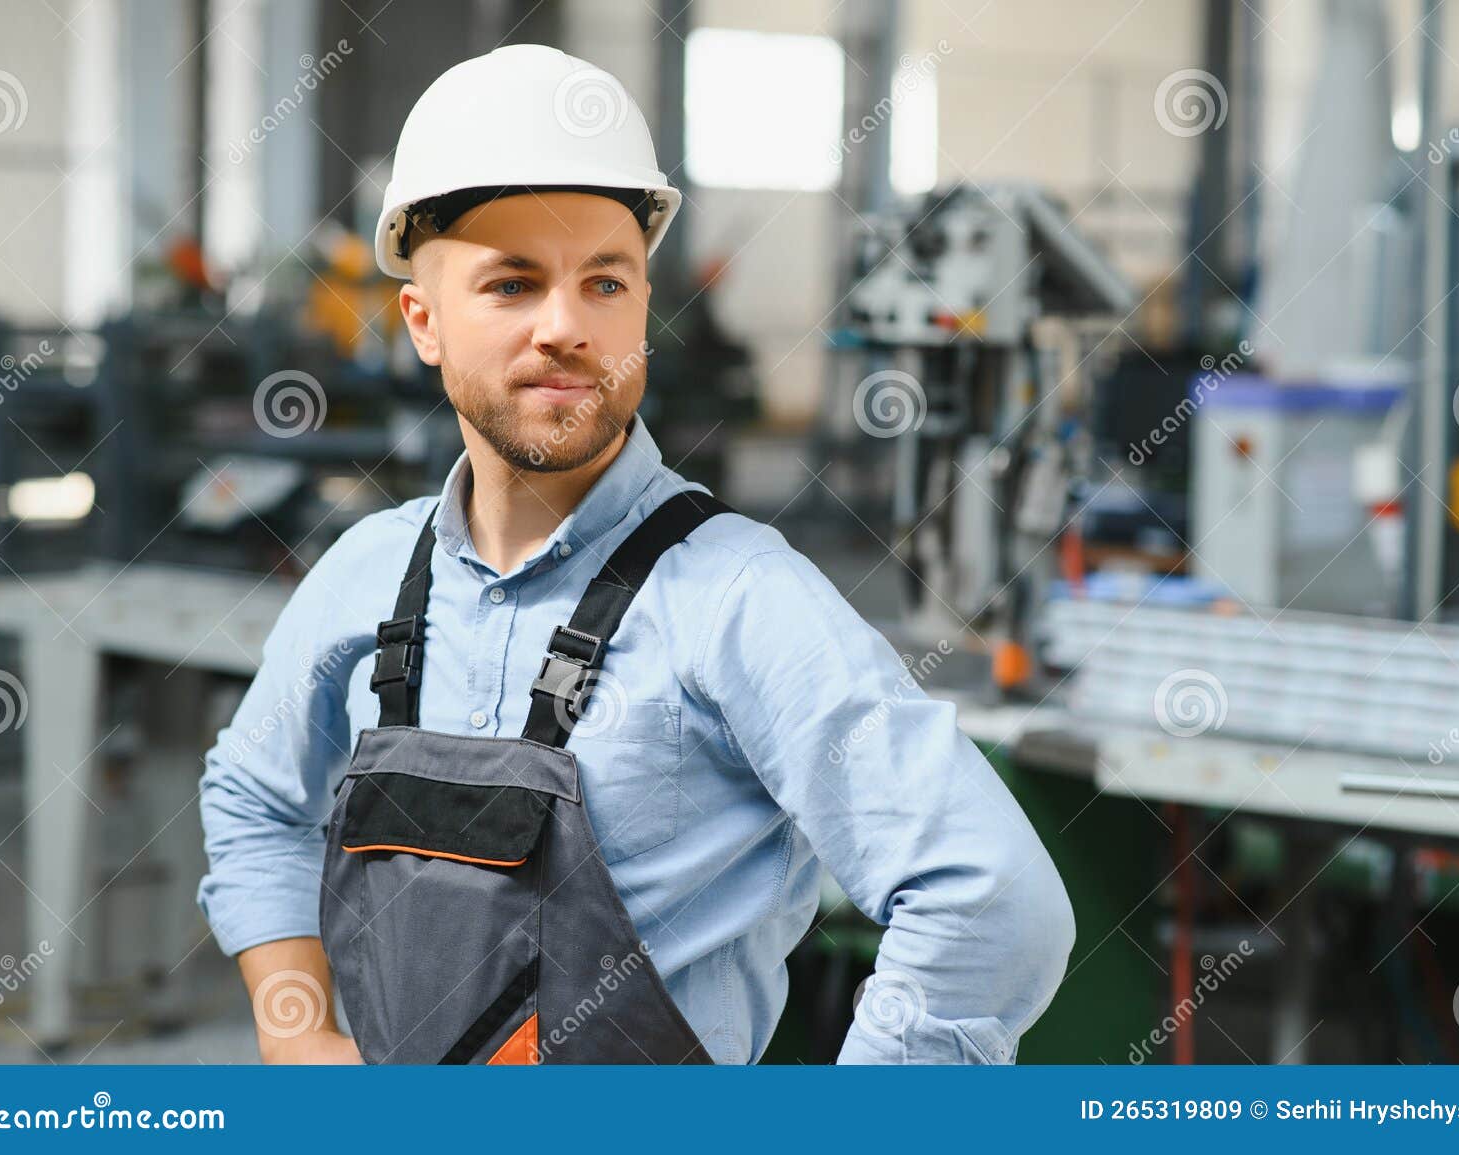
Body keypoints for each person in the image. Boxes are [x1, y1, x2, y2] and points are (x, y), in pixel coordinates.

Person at [196, 43, 1074, 1066]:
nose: (567, 327)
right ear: (423, 321)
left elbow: (991, 904)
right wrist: (297, 1035)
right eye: (513, 284)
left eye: (605, 283)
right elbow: (253, 800)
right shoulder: (363, 576)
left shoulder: (739, 599)